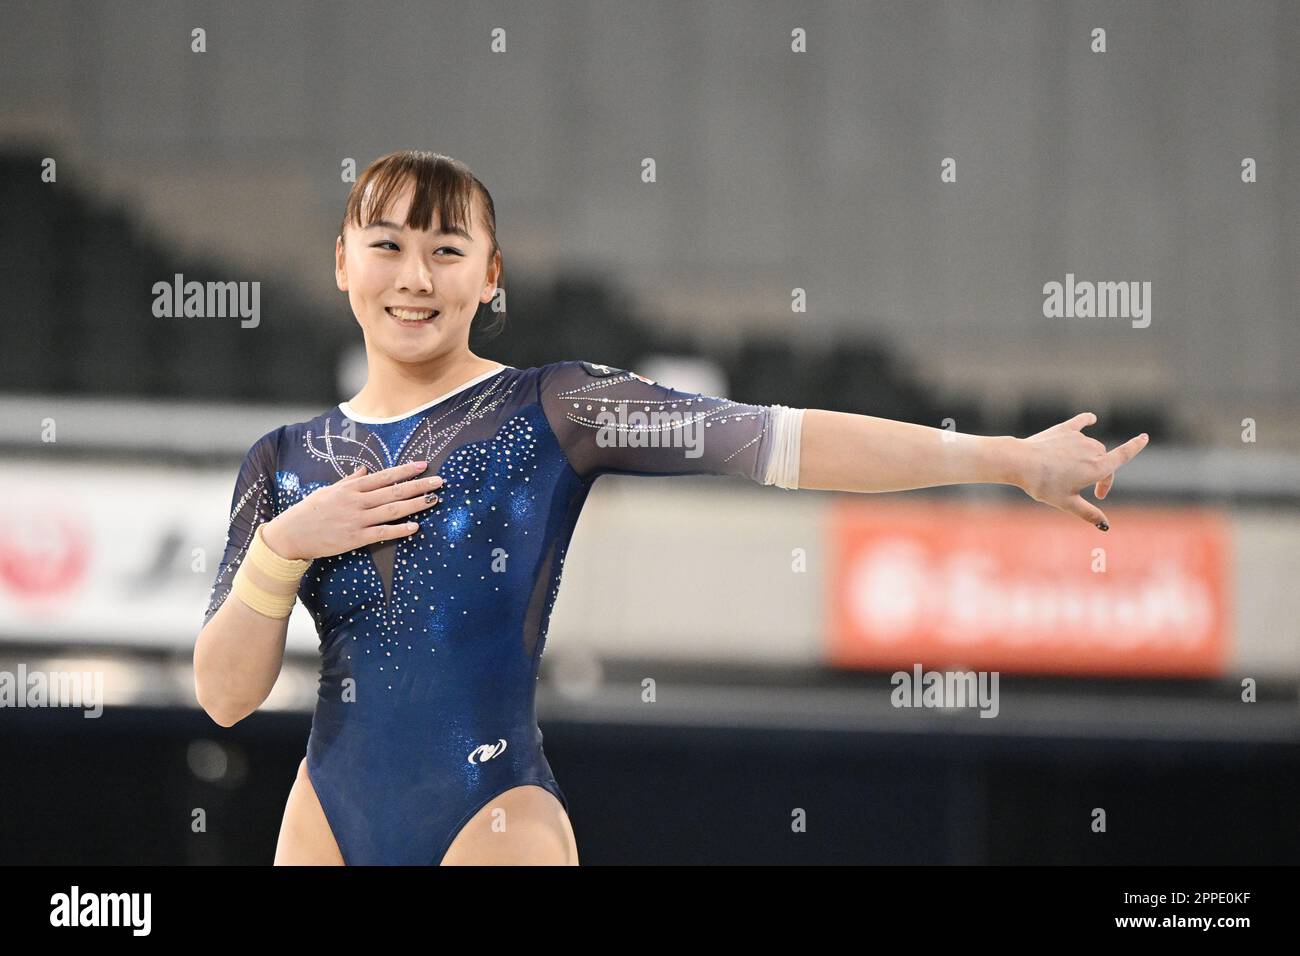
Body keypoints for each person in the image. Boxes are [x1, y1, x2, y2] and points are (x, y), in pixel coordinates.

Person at [192, 150, 1149, 866]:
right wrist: (282, 548)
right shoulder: (282, 463)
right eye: (386, 246)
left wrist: (1002, 458)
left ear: (490, 276)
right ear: (341, 261)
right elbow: (226, 697)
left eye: (447, 250)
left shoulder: (556, 407)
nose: (414, 277)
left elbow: (778, 438)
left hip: (490, 817)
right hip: (323, 817)